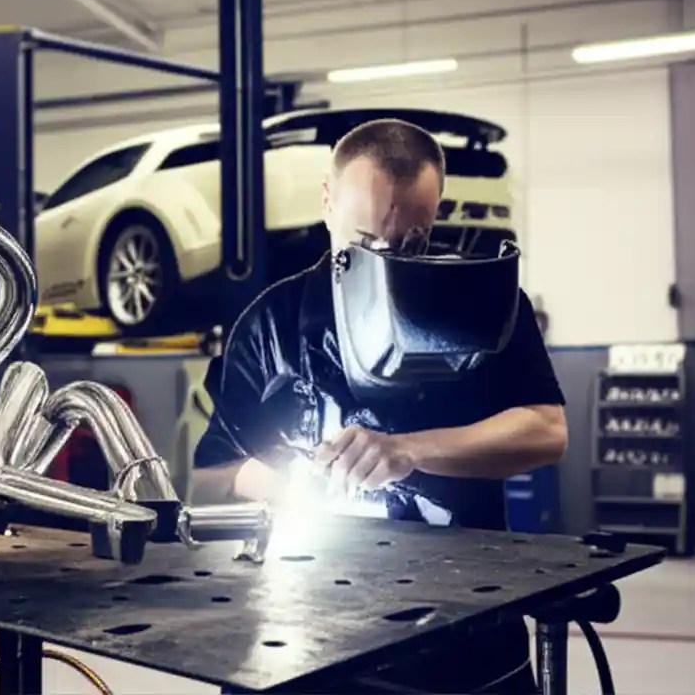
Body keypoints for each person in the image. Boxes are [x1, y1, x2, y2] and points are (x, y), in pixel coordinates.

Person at [191, 118, 568, 693]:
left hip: (466, 639)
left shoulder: (482, 303)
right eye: (364, 243)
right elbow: (214, 473)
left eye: (408, 243)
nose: (384, 261)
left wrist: (409, 451)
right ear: (327, 201)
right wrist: (300, 488)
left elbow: (546, 431)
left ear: (434, 212)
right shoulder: (271, 323)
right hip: (308, 636)